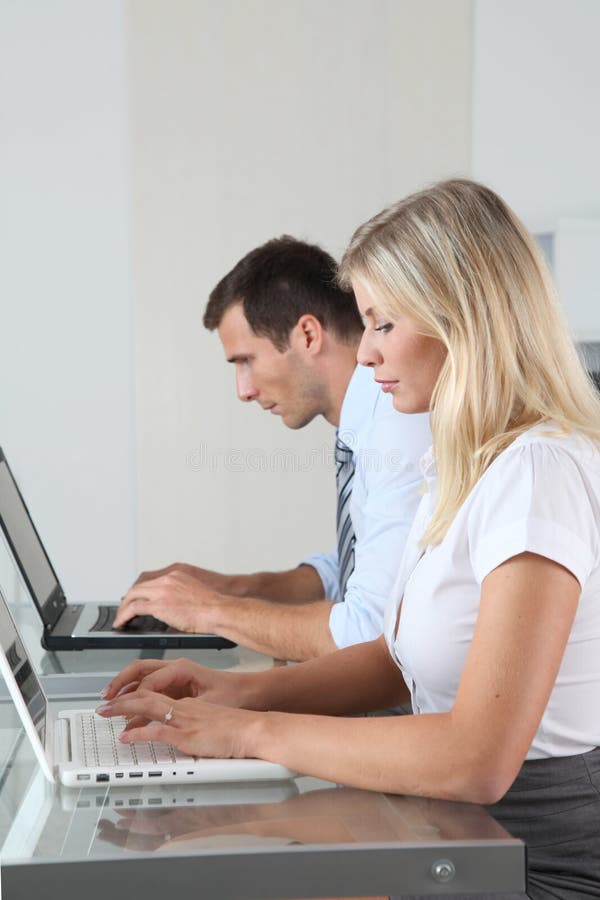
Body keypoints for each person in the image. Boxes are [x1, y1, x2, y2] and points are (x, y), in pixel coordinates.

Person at [100, 180, 600, 899]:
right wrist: (241, 695)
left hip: (535, 866)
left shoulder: (539, 472)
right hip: (458, 837)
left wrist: (249, 734)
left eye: (383, 324)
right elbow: (402, 663)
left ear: (462, 316)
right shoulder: (465, 464)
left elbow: (477, 758)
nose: (363, 354)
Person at [114, 237, 431, 661]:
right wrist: (230, 588)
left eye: (246, 360)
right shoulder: (365, 422)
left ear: (307, 334)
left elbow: (364, 632)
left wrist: (210, 611)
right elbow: (352, 572)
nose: (243, 391)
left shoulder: (396, 423)